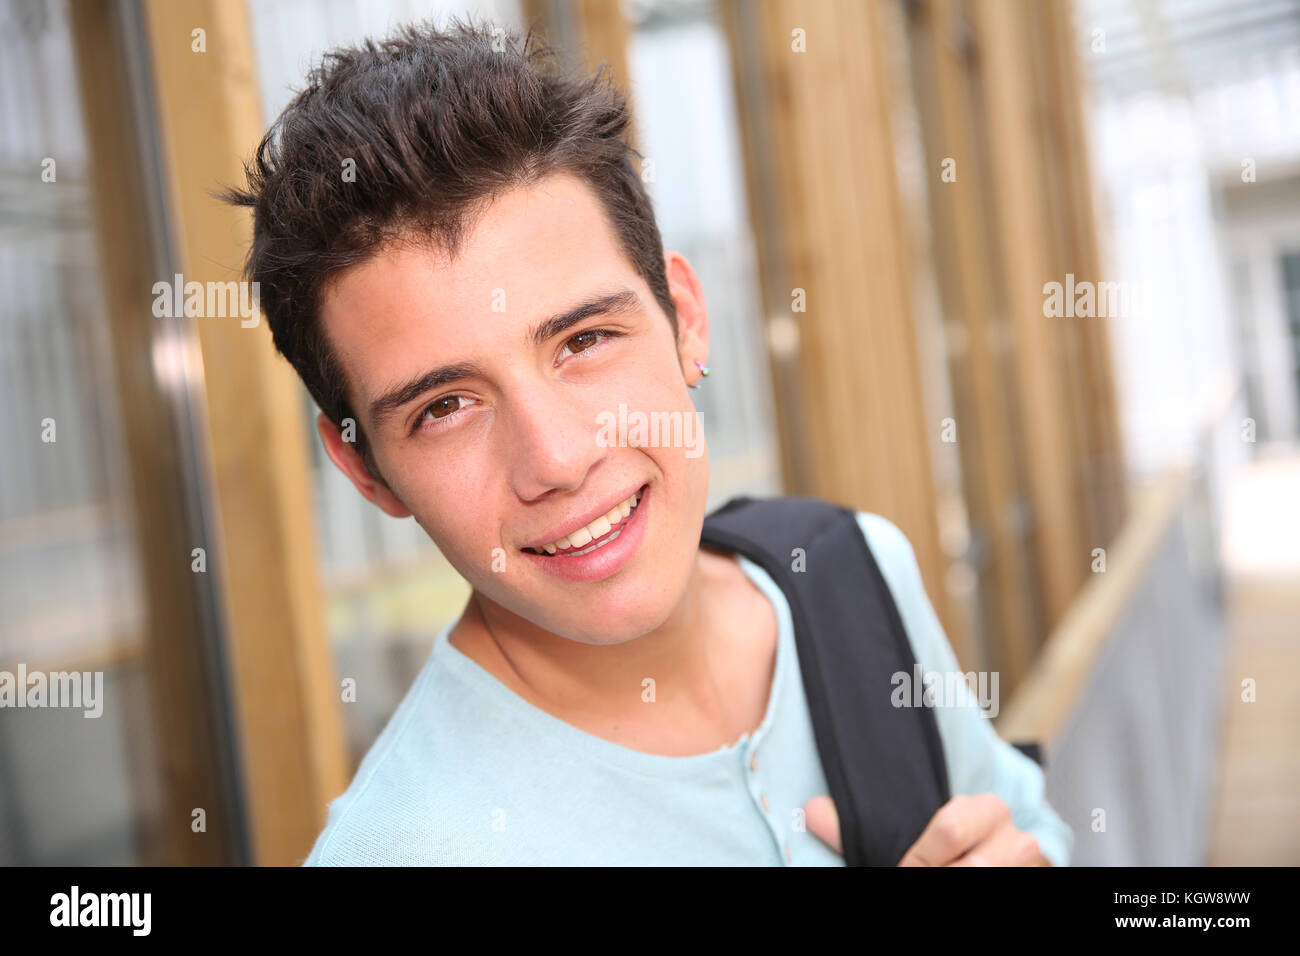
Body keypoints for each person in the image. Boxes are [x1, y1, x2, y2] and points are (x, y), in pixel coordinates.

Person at [224, 18, 1072, 866]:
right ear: (365, 470)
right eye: (445, 406)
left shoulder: (851, 570)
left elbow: (1027, 824)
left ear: (686, 320)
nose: (557, 459)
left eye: (584, 341)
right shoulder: (406, 851)